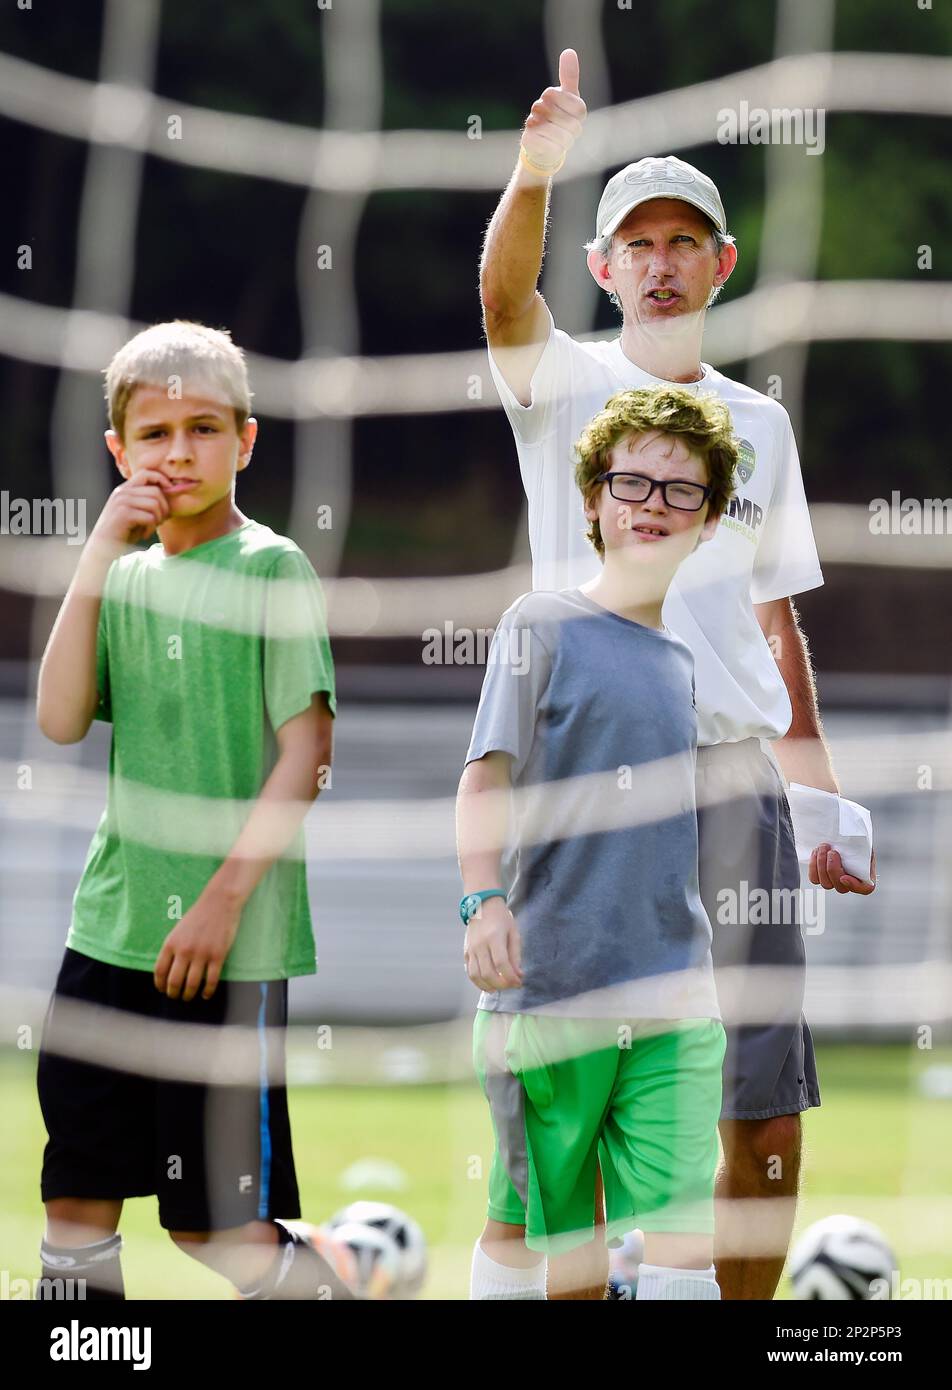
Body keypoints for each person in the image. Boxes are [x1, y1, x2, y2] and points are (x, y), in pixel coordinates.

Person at [477, 48, 876, 1301]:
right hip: (586, 781)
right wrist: (535, 171)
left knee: (760, 1100)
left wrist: (816, 791)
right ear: (602, 267)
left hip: (731, 783)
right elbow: (501, 299)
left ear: (721, 262)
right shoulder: (567, 384)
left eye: (682, 242)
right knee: (577, 1097)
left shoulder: (760, 424)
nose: (659, 262)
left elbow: (773, 620)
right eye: (636, 243)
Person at [34, 320, 353, 1301]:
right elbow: (58, 719)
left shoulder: (271, 567)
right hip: (112, 931)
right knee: (76, 1200)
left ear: (245, 442)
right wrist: (99, 547)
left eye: (204, 429)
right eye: (156, 433)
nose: (179, 452)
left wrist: (220, 903)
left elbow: (306, 757)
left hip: (230, 946)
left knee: (211, 1226)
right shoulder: (124, 577)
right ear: (119, 450)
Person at [461, 385, 738, 1300]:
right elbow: (484, 777)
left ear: (708, 520)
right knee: (545, 1237)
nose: (654, 504)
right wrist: (482, 901)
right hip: (552, 992)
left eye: (681, 490)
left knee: (684, 1239)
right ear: (593, 498)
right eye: (633, 483)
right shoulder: (540, 624)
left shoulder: (682, 663)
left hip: (676, 995)